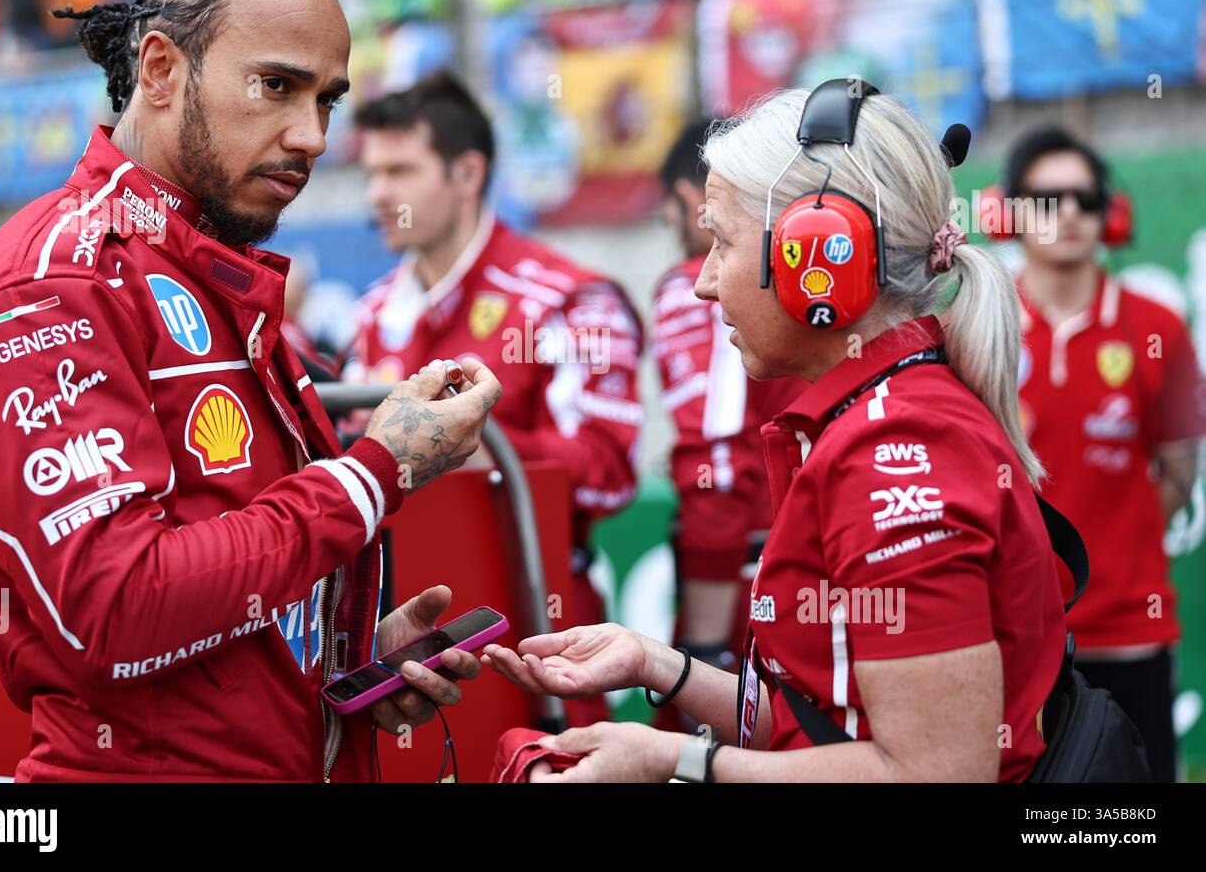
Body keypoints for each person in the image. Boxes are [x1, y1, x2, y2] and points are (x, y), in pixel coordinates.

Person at [0, 0, 501, 783]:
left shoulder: (212, 271)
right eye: (275, 86)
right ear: (159, 69)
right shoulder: (49, 290)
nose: (310, 138)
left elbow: (215, 591)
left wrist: (340, 660)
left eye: (327, 102)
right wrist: (374, 472)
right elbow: (117, 612)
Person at [483, 81, 1068, 782]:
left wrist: (677, 757)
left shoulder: (893, 455)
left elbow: (932, 772)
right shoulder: (876, 421)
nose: (702, 283)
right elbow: (824, 724)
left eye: (721, 243)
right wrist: (656, 664)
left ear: (826, 256)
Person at [344, 72, 643, 723]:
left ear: (467, 173)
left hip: (537, 638)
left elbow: (611, 476)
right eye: (372, 173)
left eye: (399, 171)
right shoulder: (368, 318)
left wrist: (464, 449)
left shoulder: (571, 300)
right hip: (392, 650)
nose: (377, 195)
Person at [1003, 125, 1206, 782]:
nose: (1066, 214)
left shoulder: (1159, 327)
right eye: (1046, 198)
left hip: (1131, 631)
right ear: (1012, 211)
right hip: (1009, 638)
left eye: (1084, 199)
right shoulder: (980, 328)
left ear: (1107, 212)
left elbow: (1177, 472)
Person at [652, 119, 807, 679]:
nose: (704, 282)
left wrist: (704, 648)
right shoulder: (821, 276)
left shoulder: (688, 289)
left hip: (751, 596)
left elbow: (713, 467)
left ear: (691, 197)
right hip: (830, 577)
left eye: (667, 211)